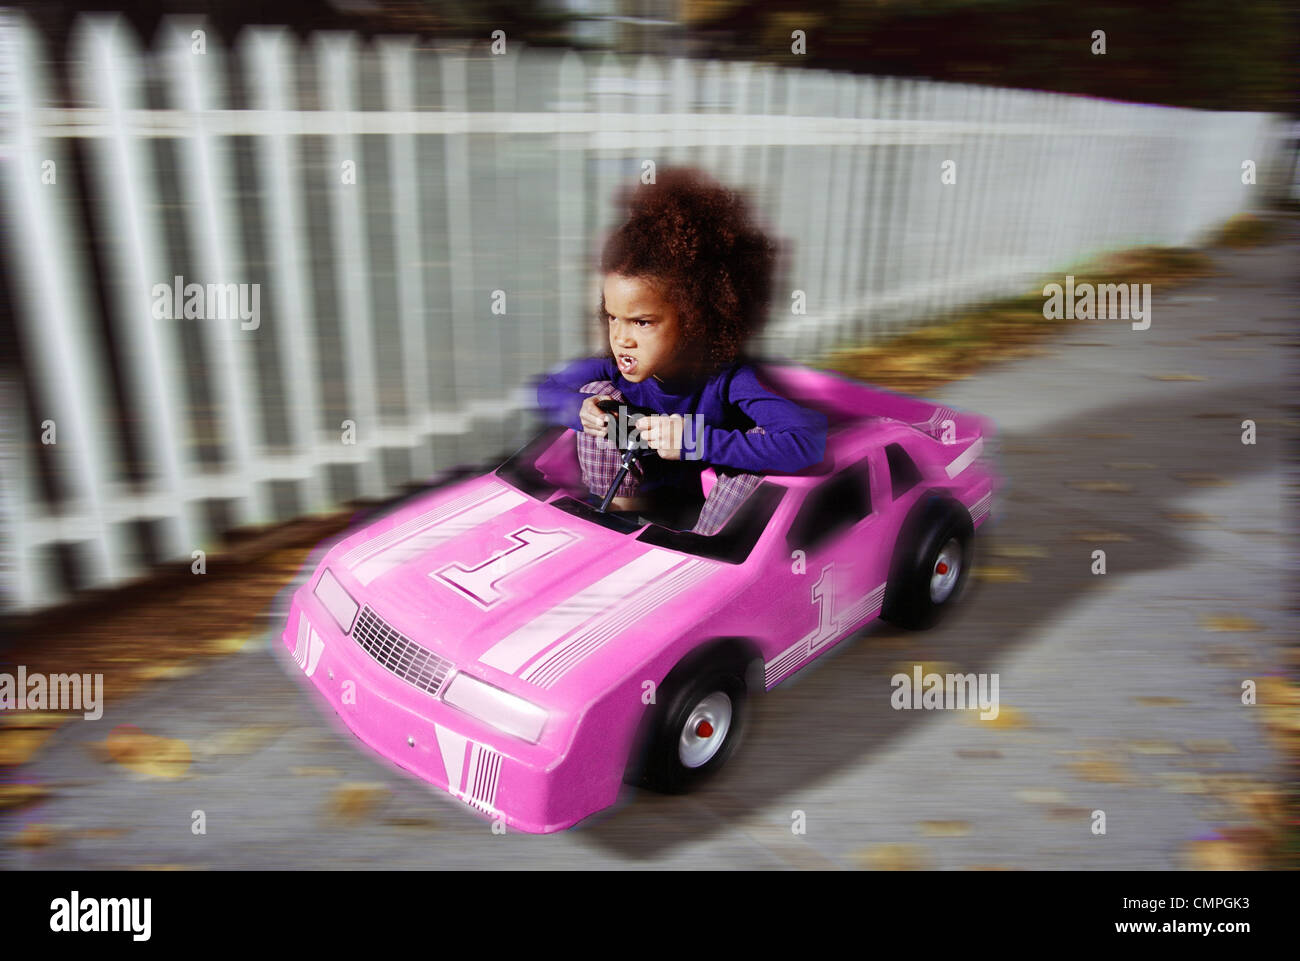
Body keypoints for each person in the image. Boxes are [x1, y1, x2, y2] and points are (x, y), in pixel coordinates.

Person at [535, 167, 827, 535]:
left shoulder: (729, 379)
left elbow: (808, 440)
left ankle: (701, 552)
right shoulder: (613, 367)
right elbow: (542, 389)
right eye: (613, 318)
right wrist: (579, 411)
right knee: (595, 396)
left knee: (760, 444)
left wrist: (693, 440)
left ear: (694, 319)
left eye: (642, 322)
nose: (622, 338)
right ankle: (615, 525)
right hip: (638, 498)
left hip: (705, 516)